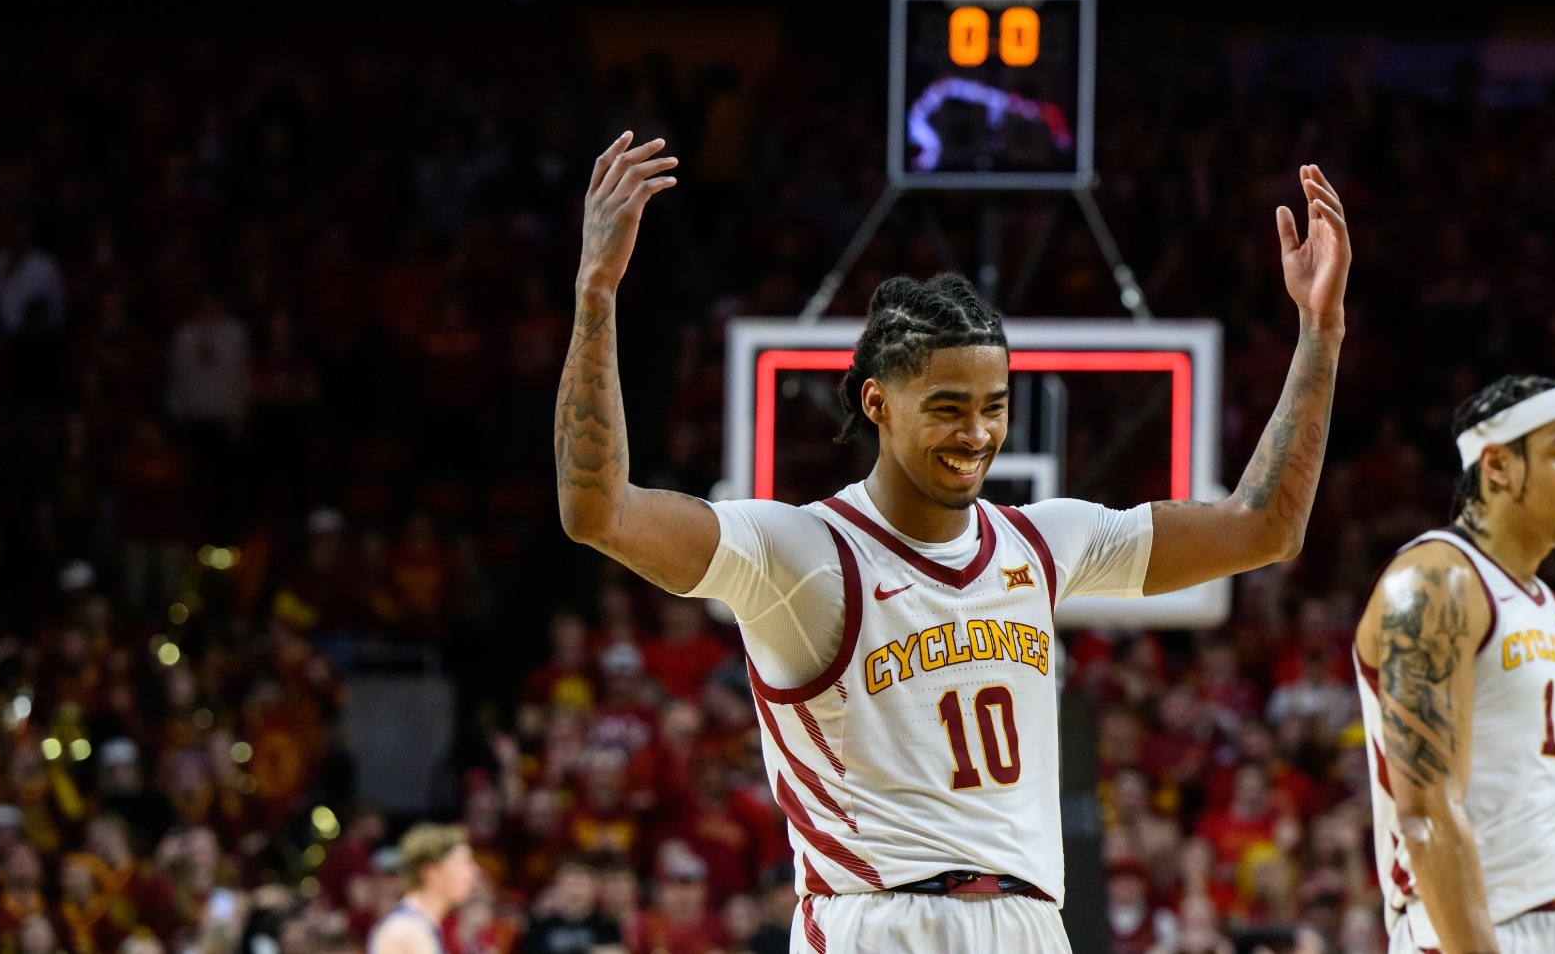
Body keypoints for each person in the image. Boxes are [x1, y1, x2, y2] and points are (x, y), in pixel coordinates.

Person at [554, 133, 1352, 950]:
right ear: (877, 402)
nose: (978, 433)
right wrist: (596, 293)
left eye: (994, 405)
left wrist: (1320, 331)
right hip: (880, 919)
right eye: (946, 406)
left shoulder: (1044, 543)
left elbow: (1265, 527)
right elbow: (599, 511)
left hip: (1031, 922)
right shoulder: (802, 554)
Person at [1352, 375, 1555, 954]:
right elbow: (1425, 815)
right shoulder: (1434, 582)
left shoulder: (1554, 611)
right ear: (1498, 466)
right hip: (1484, 930)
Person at [368, 824, 480, 954]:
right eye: (464, 863)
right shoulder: (404, 932)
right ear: (430, 872)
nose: (474, 871)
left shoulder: (421, 928)